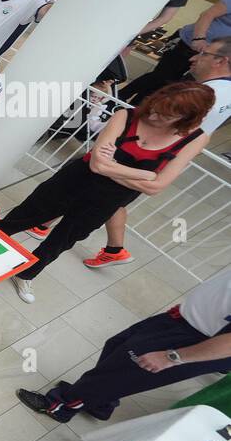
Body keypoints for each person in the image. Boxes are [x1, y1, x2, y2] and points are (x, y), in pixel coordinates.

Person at [0, 82, 212, 304]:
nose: (155, 116)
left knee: (63, 240)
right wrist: (145, 175)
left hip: (109, 199)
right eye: (156, 107)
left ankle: (26, 274)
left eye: (166, 116)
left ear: (186, 118)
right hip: (75, 180)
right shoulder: (126, 115)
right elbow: (97, 165)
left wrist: (116, 167)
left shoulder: (195, 138)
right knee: (24, 216)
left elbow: (156, 187)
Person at [37, 39, 231, 270]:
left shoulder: (203, 95)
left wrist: (120, 164)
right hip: (149, 161)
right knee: (107, 192)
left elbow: (115, 168)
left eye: (203, 53)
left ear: (221, 60)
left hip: (148, 157)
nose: (193, 58)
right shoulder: (219, 93)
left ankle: (94, 240)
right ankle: (111, 247)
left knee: (105, 192)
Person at [17, 268, 231, 424]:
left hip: (194, 339)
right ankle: (100, 403)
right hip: (182, 320)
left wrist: (171, 357)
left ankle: (61, 406)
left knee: (118, 372)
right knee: (116, 347)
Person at [121, 0, 231, 105]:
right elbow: (207, 14)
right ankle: (124, 99)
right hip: (190, 43)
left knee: (175, 86)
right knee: (161, 77)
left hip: (214, 56)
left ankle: (137, 108)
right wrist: (199, 38)